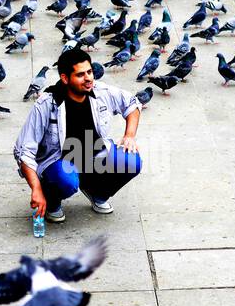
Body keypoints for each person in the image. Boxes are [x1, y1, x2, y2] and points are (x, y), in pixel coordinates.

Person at [13, 49, 143, 223]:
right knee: (66, 180)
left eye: (89, 72)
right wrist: (35, 188)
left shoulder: (101, 92)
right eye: (80, 75)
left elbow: (131, 103)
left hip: (93, 157)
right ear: (65, 78)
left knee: (131, 161)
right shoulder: (46, 104)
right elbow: (24, 150)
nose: (88, 78)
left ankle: (97, 192)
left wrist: (129, 135)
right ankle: (52, 202)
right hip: (59, 164)